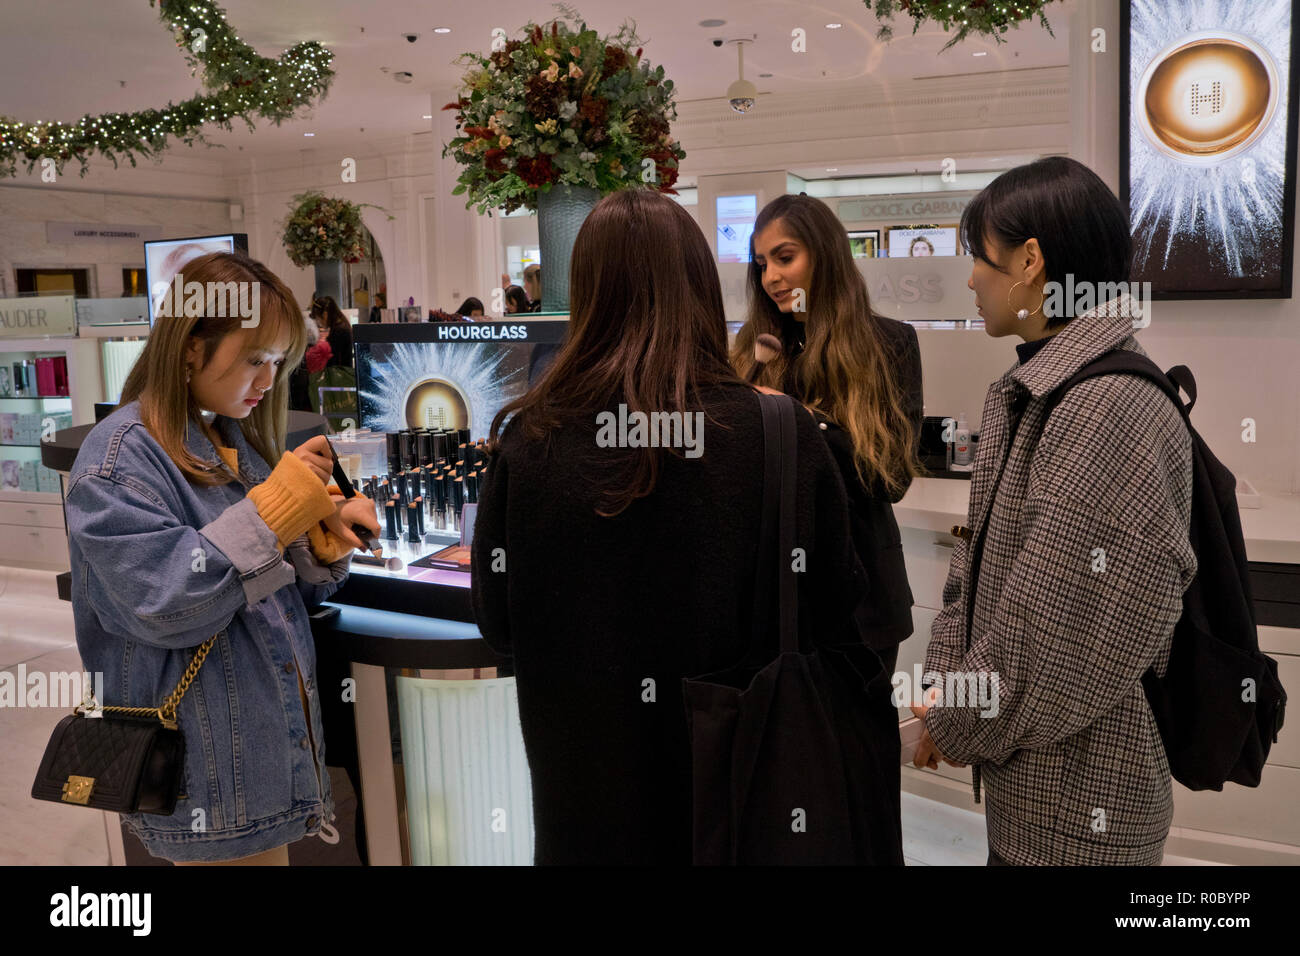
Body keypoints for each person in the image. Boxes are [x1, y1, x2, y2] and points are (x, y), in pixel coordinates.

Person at [470, 188, 879, 864]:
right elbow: (836, 599)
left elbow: (499, 625)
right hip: (740, 798)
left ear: (588, 293)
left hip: (584, 805)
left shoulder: (528, 440)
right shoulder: (779, 432)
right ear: (700, 287)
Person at [915, 156, 1195, 866]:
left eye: (979, 257)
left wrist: (954, 719)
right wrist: (948, 690)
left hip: (1081, 812)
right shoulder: (1036, 389)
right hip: (1036, 794)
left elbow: (1052, 635)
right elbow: (975, 575)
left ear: (1032, 261)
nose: (972, 278)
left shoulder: (1105, 407)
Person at [64, 251, 381, 865]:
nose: (268, 381)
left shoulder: (227, 437)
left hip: (263, 764)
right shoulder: (117, 462)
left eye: (277, 362)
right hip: (204, 775)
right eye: (254, 360)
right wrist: (277, 511)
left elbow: (274, 588)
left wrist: (325, 539)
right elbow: (165, 603)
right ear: (189, 347)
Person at [732, 193, 923, 857]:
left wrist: (800, 423)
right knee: (787, 788)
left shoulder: (889, 344)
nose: (772, 276)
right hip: (774, 603)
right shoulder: (753, 349)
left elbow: (891, 478)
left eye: (784, 257)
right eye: (762, 264)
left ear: (826, 254)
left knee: (862, 782)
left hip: (863, 606)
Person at [312, 295, 353, 369]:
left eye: (318, 318)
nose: (319, 322)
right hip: (344, 374)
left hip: (339, 376)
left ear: (325, 314)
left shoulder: (339, 331)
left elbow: (333, 360)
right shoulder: (342, 326)